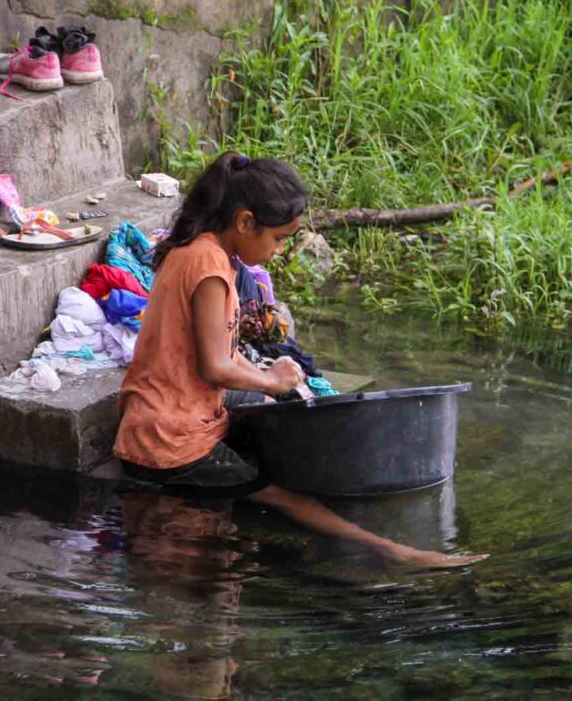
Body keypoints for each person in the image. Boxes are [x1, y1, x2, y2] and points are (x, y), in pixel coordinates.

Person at [114, 151, 485, 568]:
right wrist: (270, 379)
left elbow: (222, 354)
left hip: (165, 416)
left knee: (273, 417)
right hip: (166, 444)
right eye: (278, 238)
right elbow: (215, 367)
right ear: (244, 222)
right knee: (281, 494)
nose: (279, 250)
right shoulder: (208, 267)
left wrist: (269, 382)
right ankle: (392, 551)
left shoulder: (205, 252)